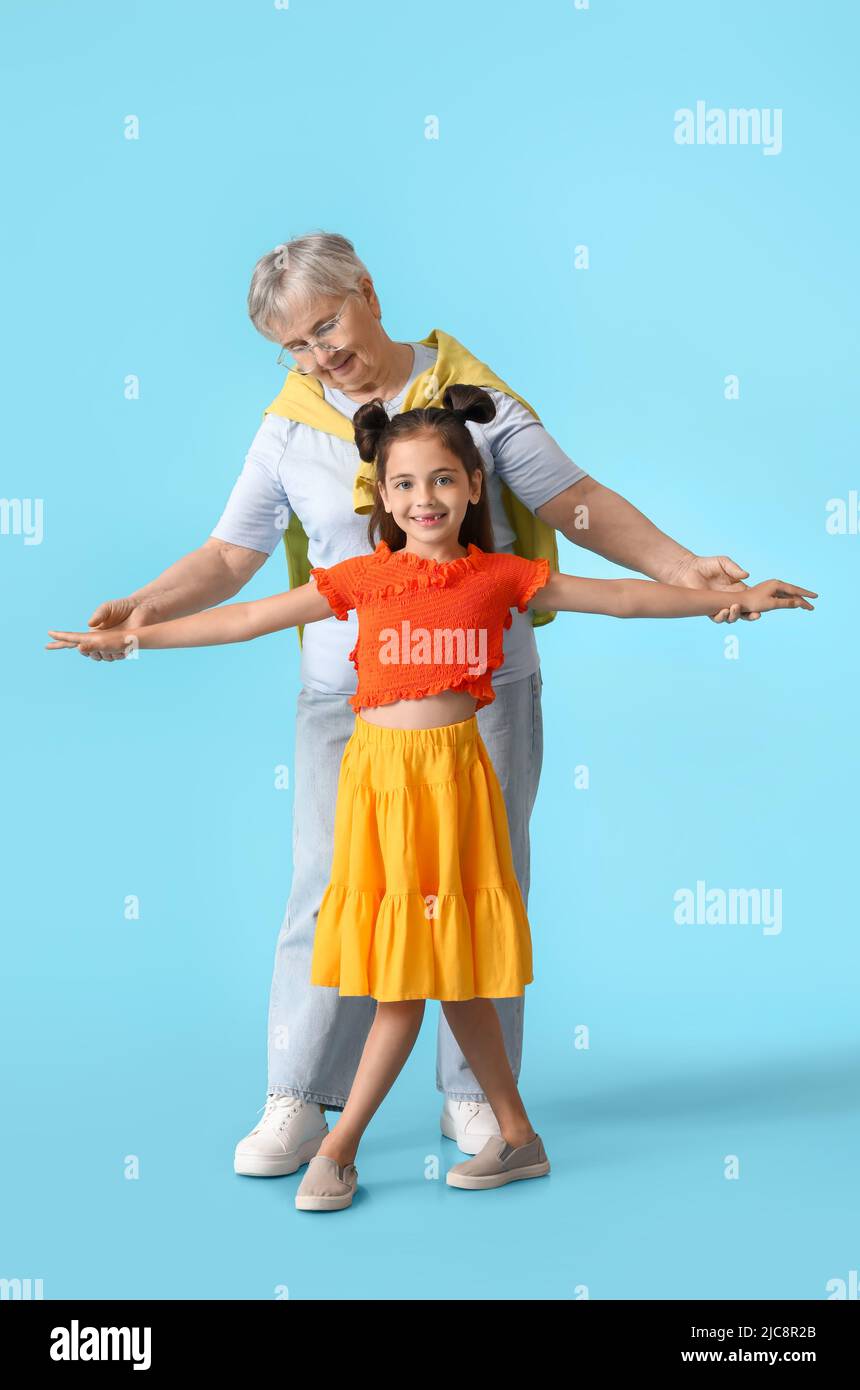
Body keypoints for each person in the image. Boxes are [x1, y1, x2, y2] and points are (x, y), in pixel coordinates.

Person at [66, 231, 772, 1167]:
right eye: (299, 346)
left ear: (367, 290)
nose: (324, 357)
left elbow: (573, 502)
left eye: (330, 326)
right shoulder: (287, 424)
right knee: (330, 885)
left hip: (483, 696)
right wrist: (143, 610)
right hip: (347, 707)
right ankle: (302, 1097)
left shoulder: (474, 398)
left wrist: (687, 571)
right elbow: (232, 561)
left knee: (480, 888)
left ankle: (478, 1099)